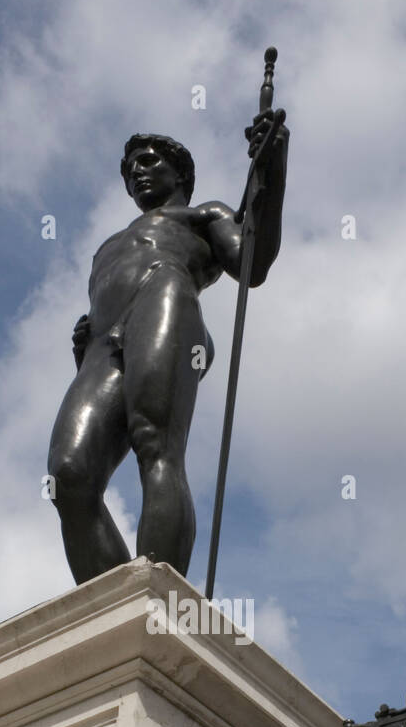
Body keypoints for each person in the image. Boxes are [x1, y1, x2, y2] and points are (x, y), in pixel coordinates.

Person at [47, 113, 288, 584]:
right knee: (69, 474)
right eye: (130, 167)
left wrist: (272, 169)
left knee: (155, 443)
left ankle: (159, 593)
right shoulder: (105, 248)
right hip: (102, 347)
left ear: (180, 174)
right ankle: (114, 611)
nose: (137, 171)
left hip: (165, 300)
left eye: (149, 161)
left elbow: (252, 264)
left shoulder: (204, 216)